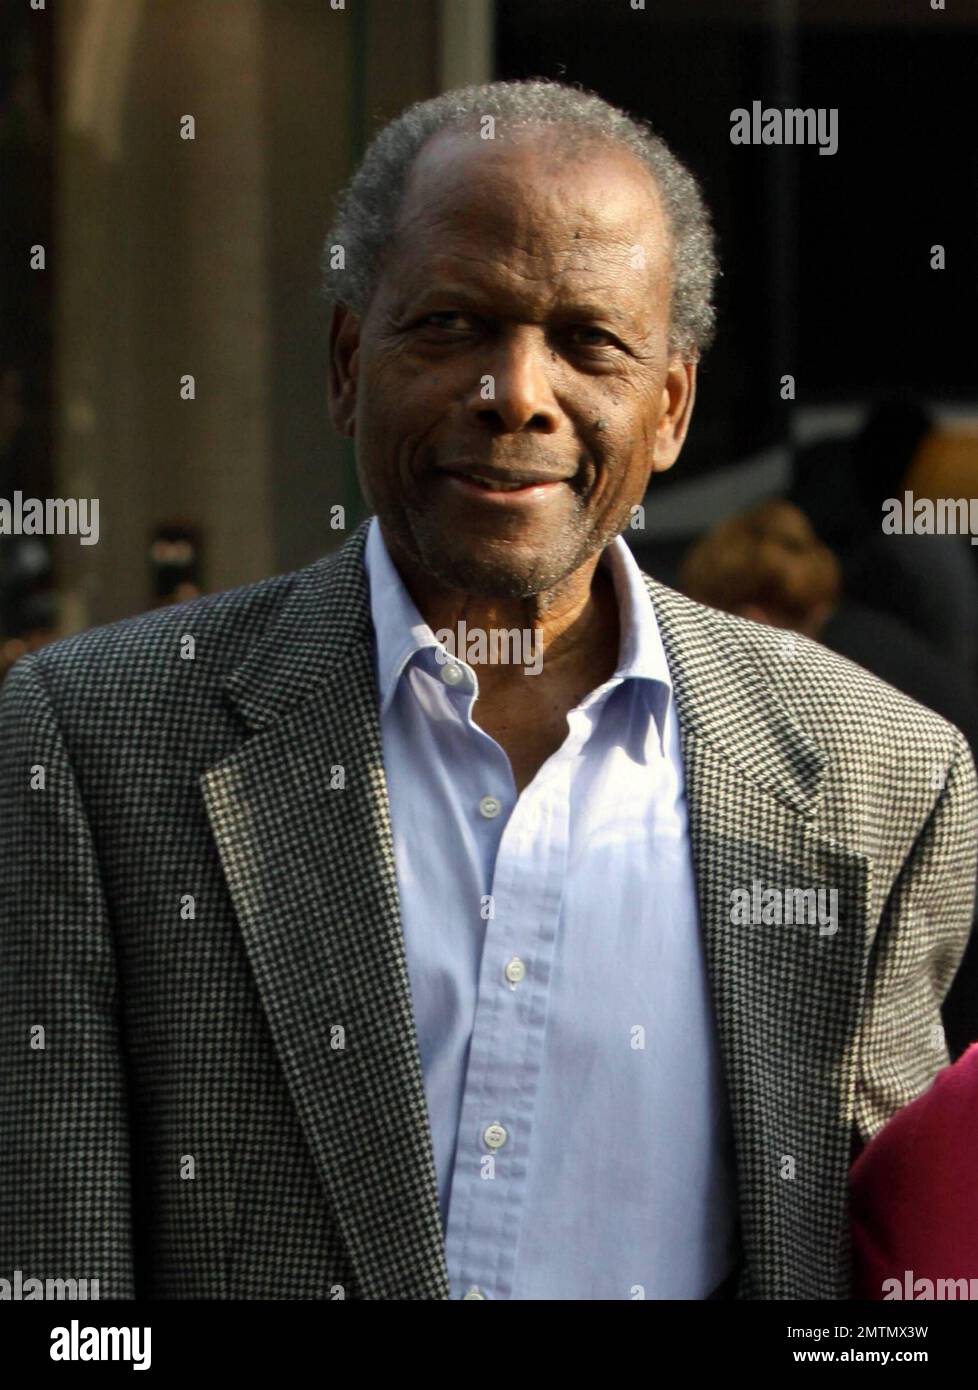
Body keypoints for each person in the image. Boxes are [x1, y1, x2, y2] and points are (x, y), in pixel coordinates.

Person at [1, 79, 975, 1303]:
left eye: (587, 341)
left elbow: (875, 1268)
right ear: (349, 363)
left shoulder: (882, 775)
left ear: (670, 406)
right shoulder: (96, 742)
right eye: (453, 324)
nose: (516, 390)